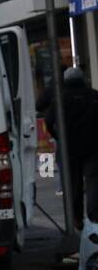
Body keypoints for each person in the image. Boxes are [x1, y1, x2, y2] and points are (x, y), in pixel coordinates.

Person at [43, 66, 98, 226]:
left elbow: (48, 120)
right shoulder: (94, 96)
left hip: (70, 148)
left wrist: (59, 137)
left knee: (74, 184)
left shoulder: (61, 99)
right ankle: (94, 217)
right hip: (93, 148)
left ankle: (77, 219)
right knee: (93, 181)